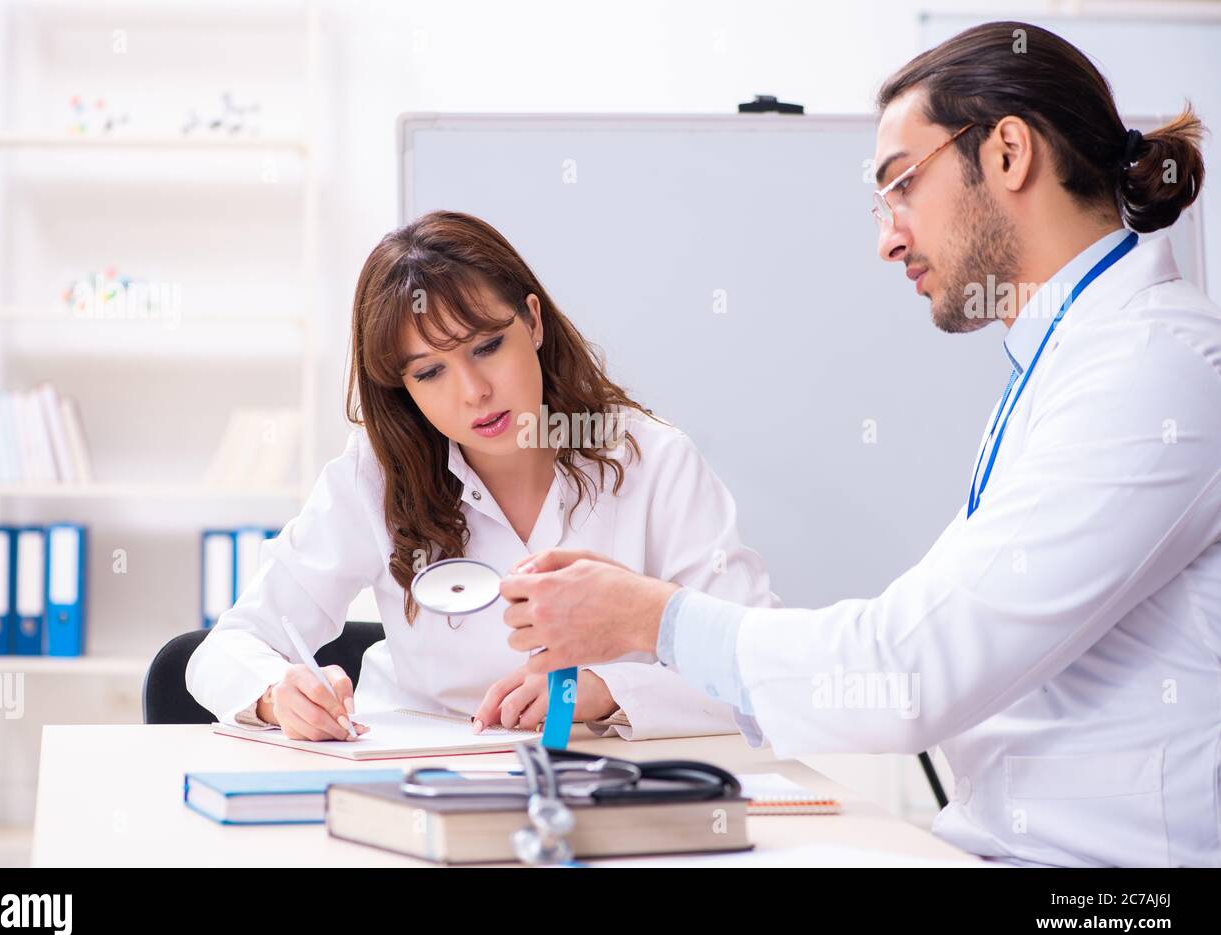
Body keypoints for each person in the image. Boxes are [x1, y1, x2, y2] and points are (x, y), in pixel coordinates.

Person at [498, 22, 1220, 867]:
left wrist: (650, 617)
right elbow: (911, 645)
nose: (888, 238)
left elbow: (911, 671)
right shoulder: (1070, 362)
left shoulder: (1153, 368)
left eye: (902, 186)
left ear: (1009, 153)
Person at [186, 210, 778, 743]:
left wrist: (599, 692)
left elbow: (757, 662)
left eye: (488, 346)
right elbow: (226, 647)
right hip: (417, 779)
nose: (474, 393)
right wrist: (273, 694)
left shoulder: (649, 459)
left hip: (600, 782)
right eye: (429, 372)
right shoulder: (373, 475)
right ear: (403, 389)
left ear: (535, 322)